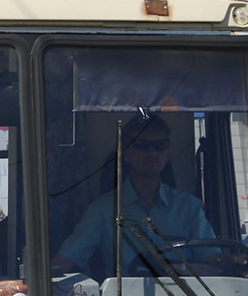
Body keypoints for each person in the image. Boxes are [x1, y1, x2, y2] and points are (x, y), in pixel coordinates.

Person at [53, 116, 214, 277]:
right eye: (142, 145)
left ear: (167, 153)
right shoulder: (103, 210)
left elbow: (213, 261)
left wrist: (233, 261)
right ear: (126, 152)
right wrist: (34, 284)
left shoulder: (190, 207)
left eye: (160, 146)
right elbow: (66, 260)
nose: (152, 152)